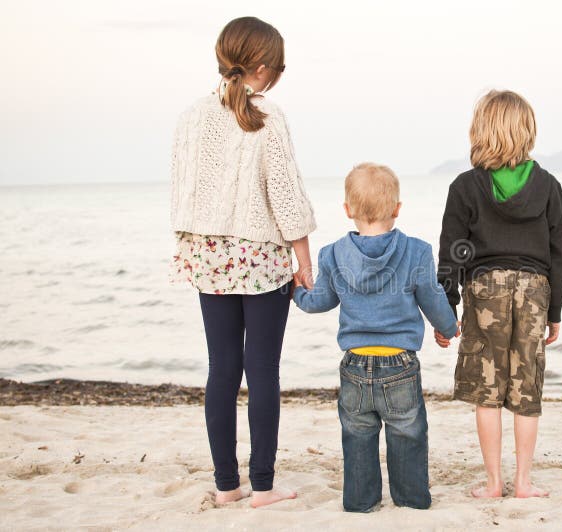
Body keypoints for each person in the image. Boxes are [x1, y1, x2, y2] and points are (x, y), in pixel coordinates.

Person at [169, 17, 316, 508]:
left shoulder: (191, 116)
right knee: (263, 371)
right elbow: (285, 194)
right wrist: (304, 259)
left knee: (222, 370)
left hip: (209, 256)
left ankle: (226, 485)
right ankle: (264, 487)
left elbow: (183, 189)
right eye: (277, 68)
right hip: (261, 257)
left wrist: (190, 248)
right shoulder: (267, 117)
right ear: (260, 67)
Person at [293, 163, 459, 512]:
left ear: (348, 210)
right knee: (408, 433)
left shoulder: (333, 254)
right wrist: (447, 328)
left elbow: (319, 302)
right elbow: (432, 297)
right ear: (397, 208)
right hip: (400, 363)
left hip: (354, 363)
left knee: (357, 436)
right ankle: (411, 500)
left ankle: (360, 501)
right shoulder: (416, 251)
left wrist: (297, 291)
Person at [435, 90, 562, 498]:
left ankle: (494, 482)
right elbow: (559, 252)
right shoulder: (548, 186)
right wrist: (555, 310)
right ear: (527, 132)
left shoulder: (465, 187)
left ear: (480, 132)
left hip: (485, 289)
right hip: (534, 289)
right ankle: (524, 482)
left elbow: (452, 253)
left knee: (487, 390)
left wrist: (447, 308)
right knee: (526, 388)